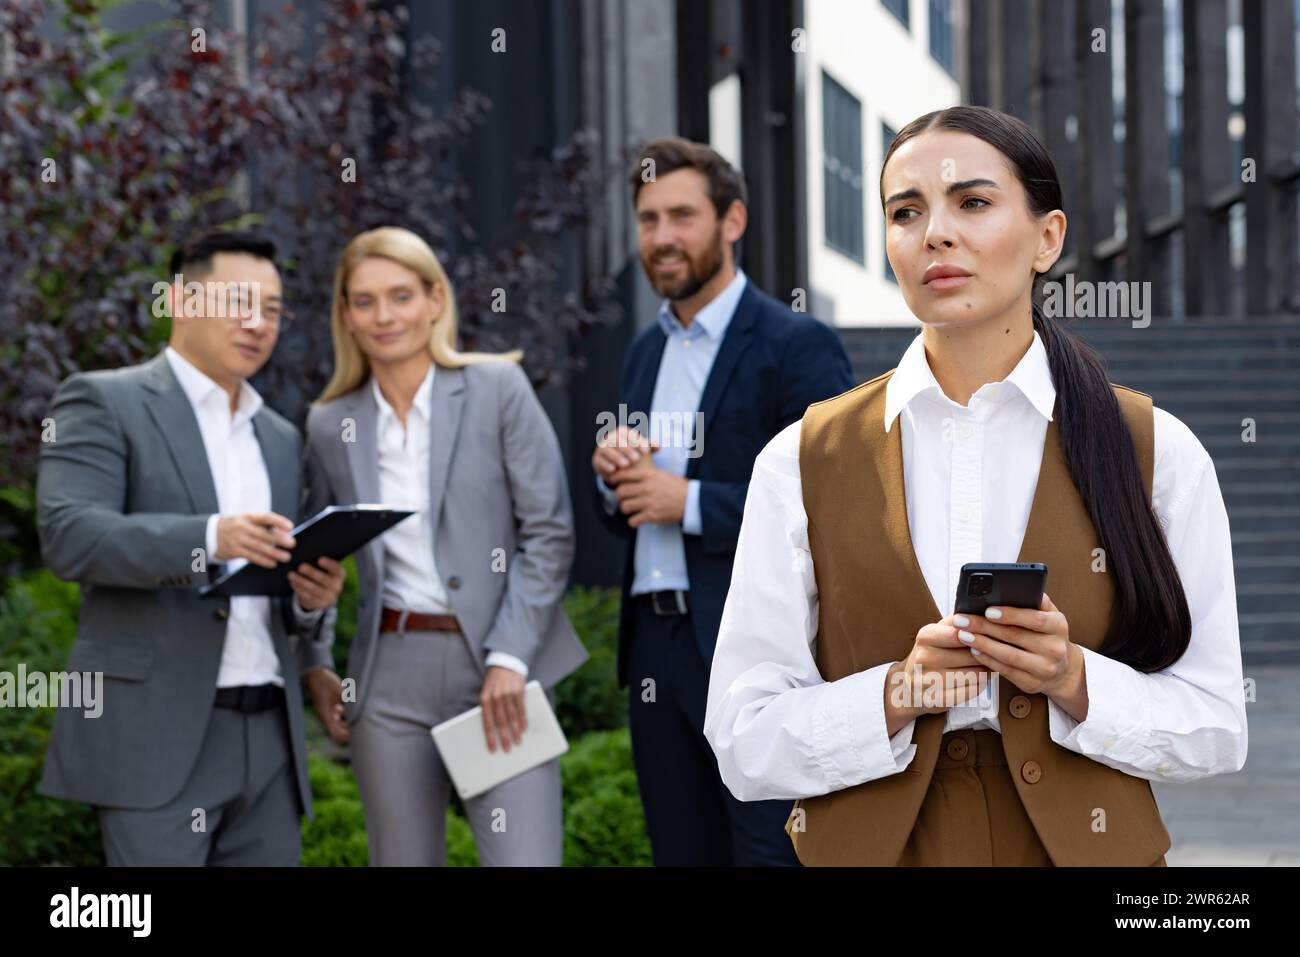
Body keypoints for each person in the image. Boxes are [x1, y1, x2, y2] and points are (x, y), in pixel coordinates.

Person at [704, 105, 1249, 866]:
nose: (935, 233)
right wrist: (898, 691)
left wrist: (1072, 677)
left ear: (1048, 238)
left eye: (974, 202)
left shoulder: (1157, 452)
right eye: (906, 211)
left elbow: (1218, 725)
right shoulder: (802, 458)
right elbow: (741, 736)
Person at [36, 230, 345, 865]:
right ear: (180, 300)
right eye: (238, 302)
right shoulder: (102, 400)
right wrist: (210, 538)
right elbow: (70, 536)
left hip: (269, 739)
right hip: (154, 734)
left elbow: (277, 581)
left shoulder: (282, 437)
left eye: (272, 309)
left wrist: (311, 602)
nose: (257, 323)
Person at [592, 137, 854, 866]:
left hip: (751, 644)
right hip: (653, 640)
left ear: (732, 221)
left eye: (682, 215)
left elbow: (833, 503)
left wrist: (693, 501)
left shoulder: (797, 343)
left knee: (768, 853)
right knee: (681, 852)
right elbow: (633, 497)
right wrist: (612, 474)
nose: (662, 237)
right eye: (648, 219)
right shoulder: (644, 351)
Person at [302, 226, 587, 866]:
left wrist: (510, 658)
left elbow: (549, 531)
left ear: (435, 300)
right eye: (364, 301)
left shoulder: (497, 391)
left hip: (497, 665)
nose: (384, 316)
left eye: (400, 296)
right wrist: (315, 660)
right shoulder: (329, 424)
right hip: (388, 678)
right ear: (345, 316)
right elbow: (314, 552)